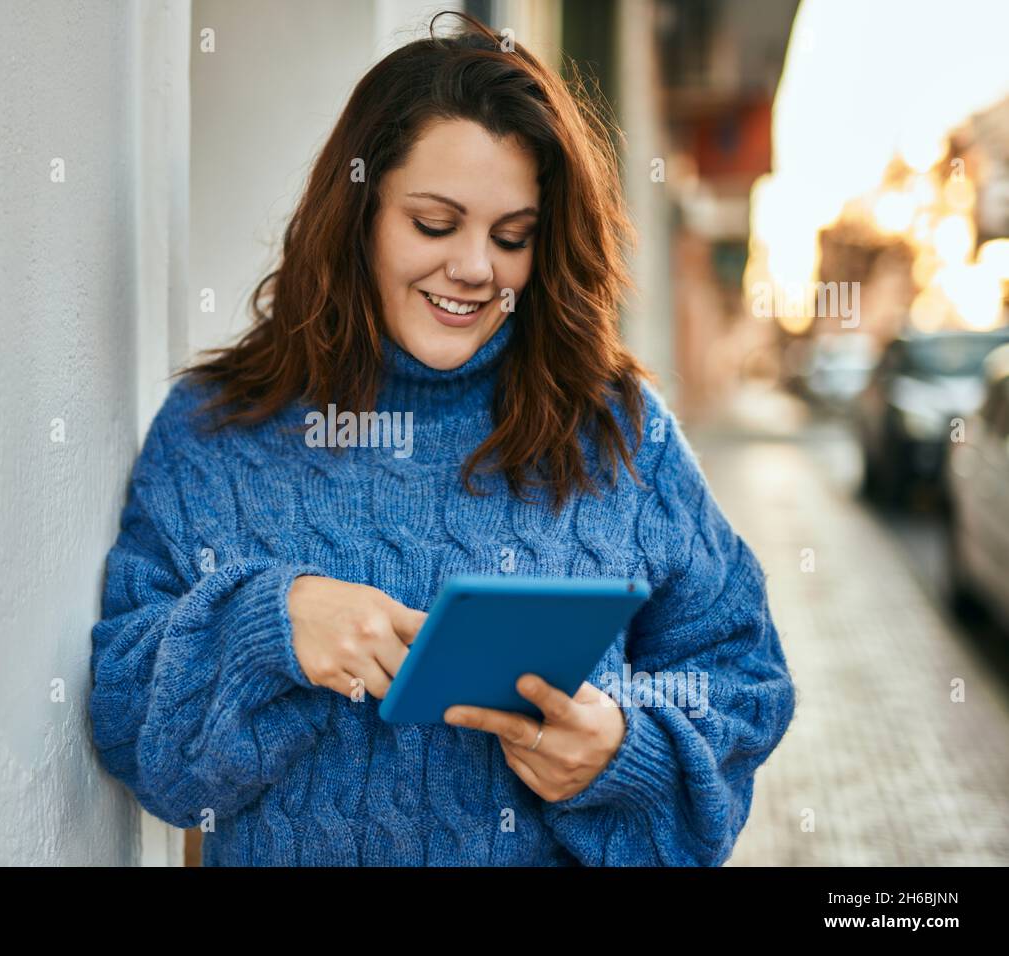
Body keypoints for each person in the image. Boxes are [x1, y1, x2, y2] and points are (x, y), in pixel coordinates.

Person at [88, 11, 796, 866]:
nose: (475, 268)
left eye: (512, 237)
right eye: (434, 224)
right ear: (360, 215)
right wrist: (269, 626)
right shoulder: (217, 430)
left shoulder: (617, 433)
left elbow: (743, 677)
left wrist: (623, 751)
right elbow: (132, 728)